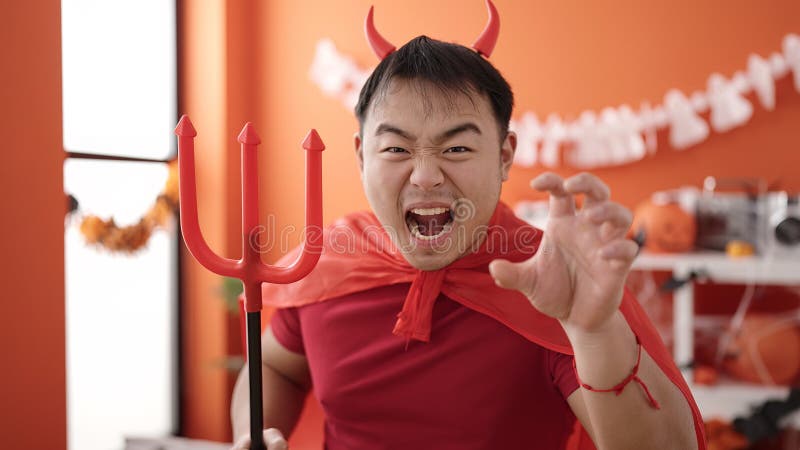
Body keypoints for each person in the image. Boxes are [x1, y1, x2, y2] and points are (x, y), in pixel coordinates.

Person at [230, 4, 705, 450]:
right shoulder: (329, 259)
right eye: (396, 149)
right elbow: (276, 365)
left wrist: (595, 332)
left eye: (455, 149)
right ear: (360, 156)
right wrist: (256, 431)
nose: (425, 175)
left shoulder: (554, 280)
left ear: (504, 157)